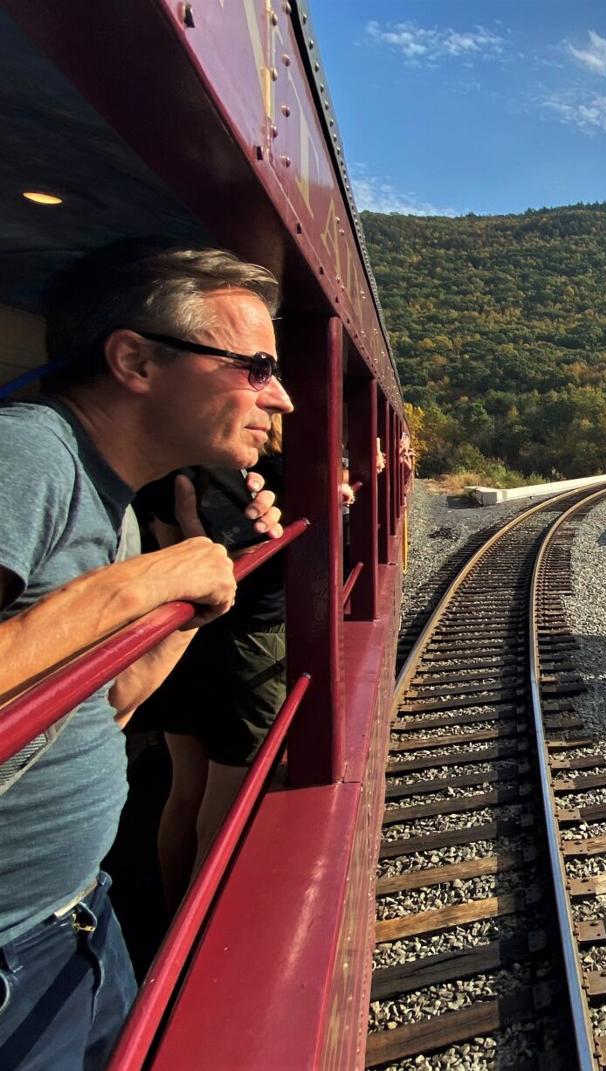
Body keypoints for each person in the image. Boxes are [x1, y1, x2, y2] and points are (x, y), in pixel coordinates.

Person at [0, 240, 292, 1070]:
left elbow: (110, 702)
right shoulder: (28, 455)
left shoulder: (117, 505)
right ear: (134, 360)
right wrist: (148, 580)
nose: (279, 396)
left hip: (77, 920)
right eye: (255, 366)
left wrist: (209, 583)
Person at [134, 416, 286, 909]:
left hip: (179, 639)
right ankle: (196, 929)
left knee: (186, 789)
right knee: (229, 799)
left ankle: (171, 913)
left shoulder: (163, 470)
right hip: (247, 639)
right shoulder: (269, 472)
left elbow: (166, 544)